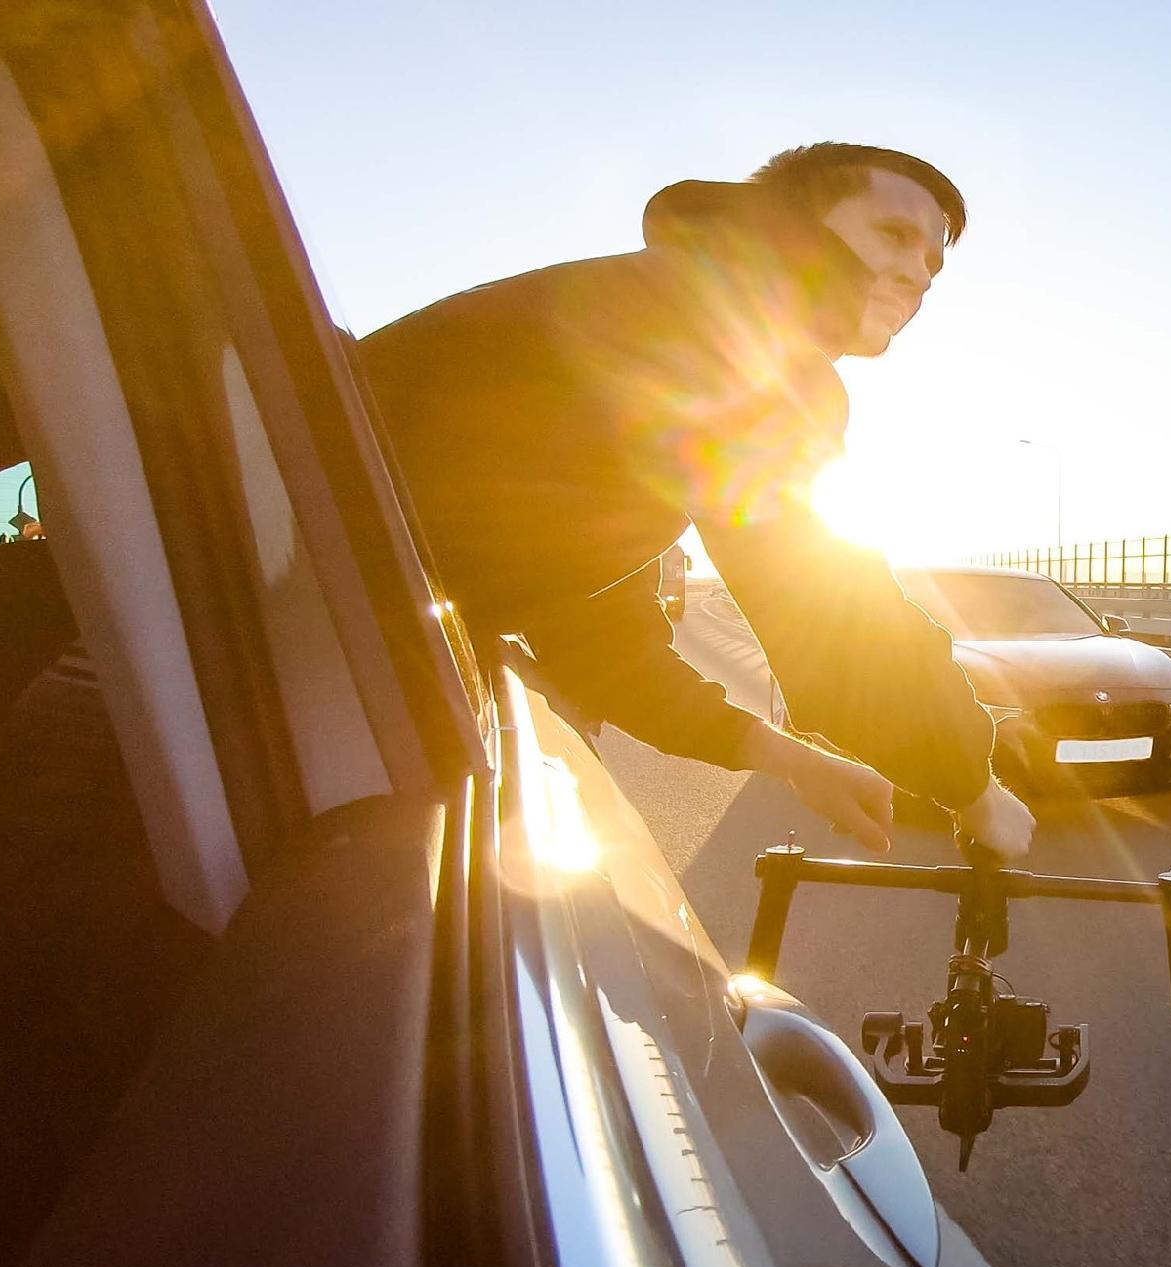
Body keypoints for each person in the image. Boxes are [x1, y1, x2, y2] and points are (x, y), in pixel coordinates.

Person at [358, 143, 1032, 857]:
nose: (918, 274)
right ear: (792, 224)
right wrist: (974, 789)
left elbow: (595, 636)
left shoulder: (653, 310)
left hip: (325, 643)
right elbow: (825, 616)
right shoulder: (731, 336)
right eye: (895, 235)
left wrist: (786, 757)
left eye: (933, 261)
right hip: (321, 656)